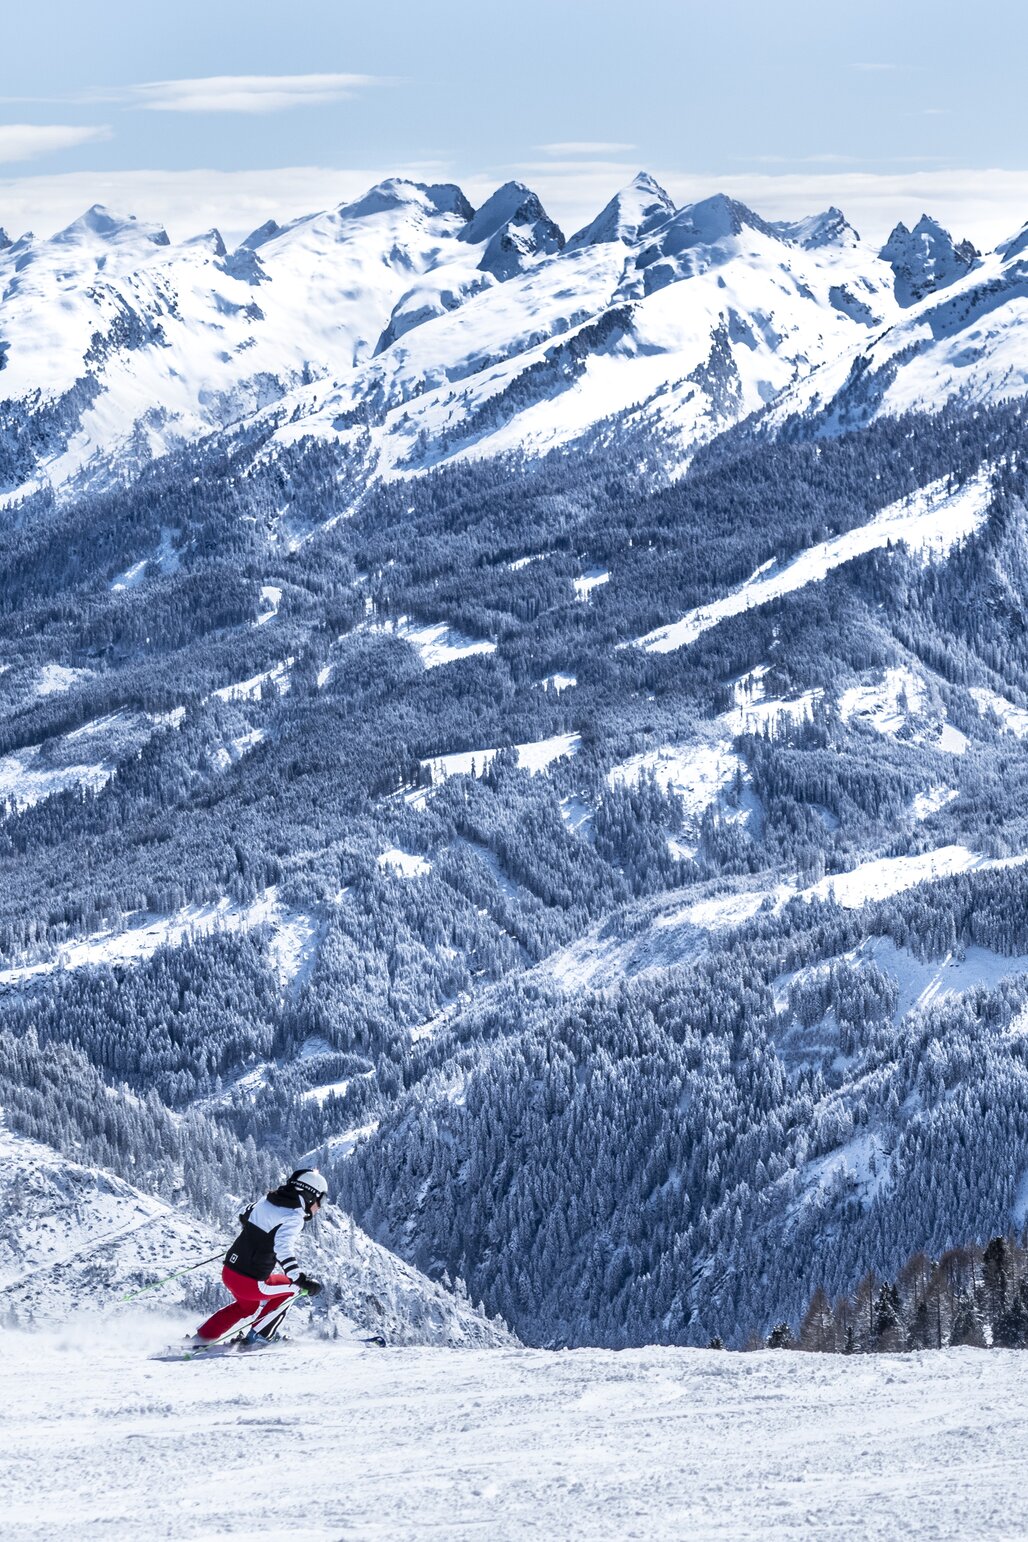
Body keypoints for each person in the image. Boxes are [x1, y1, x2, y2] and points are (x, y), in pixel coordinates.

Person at [192, 1167, 327, 1348]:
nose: (319, 1206)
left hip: (229, 1272)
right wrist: (301, 1280)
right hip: (250, 1282)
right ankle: (261, 1336)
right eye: (321, 1199)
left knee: (247, 1307)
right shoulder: (294, 1216)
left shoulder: (267, 1200)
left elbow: (244, 1212)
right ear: (310, 1194)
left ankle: (204, 1335)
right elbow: (283, 1248)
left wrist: (254, 1235)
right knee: (294, 1288)